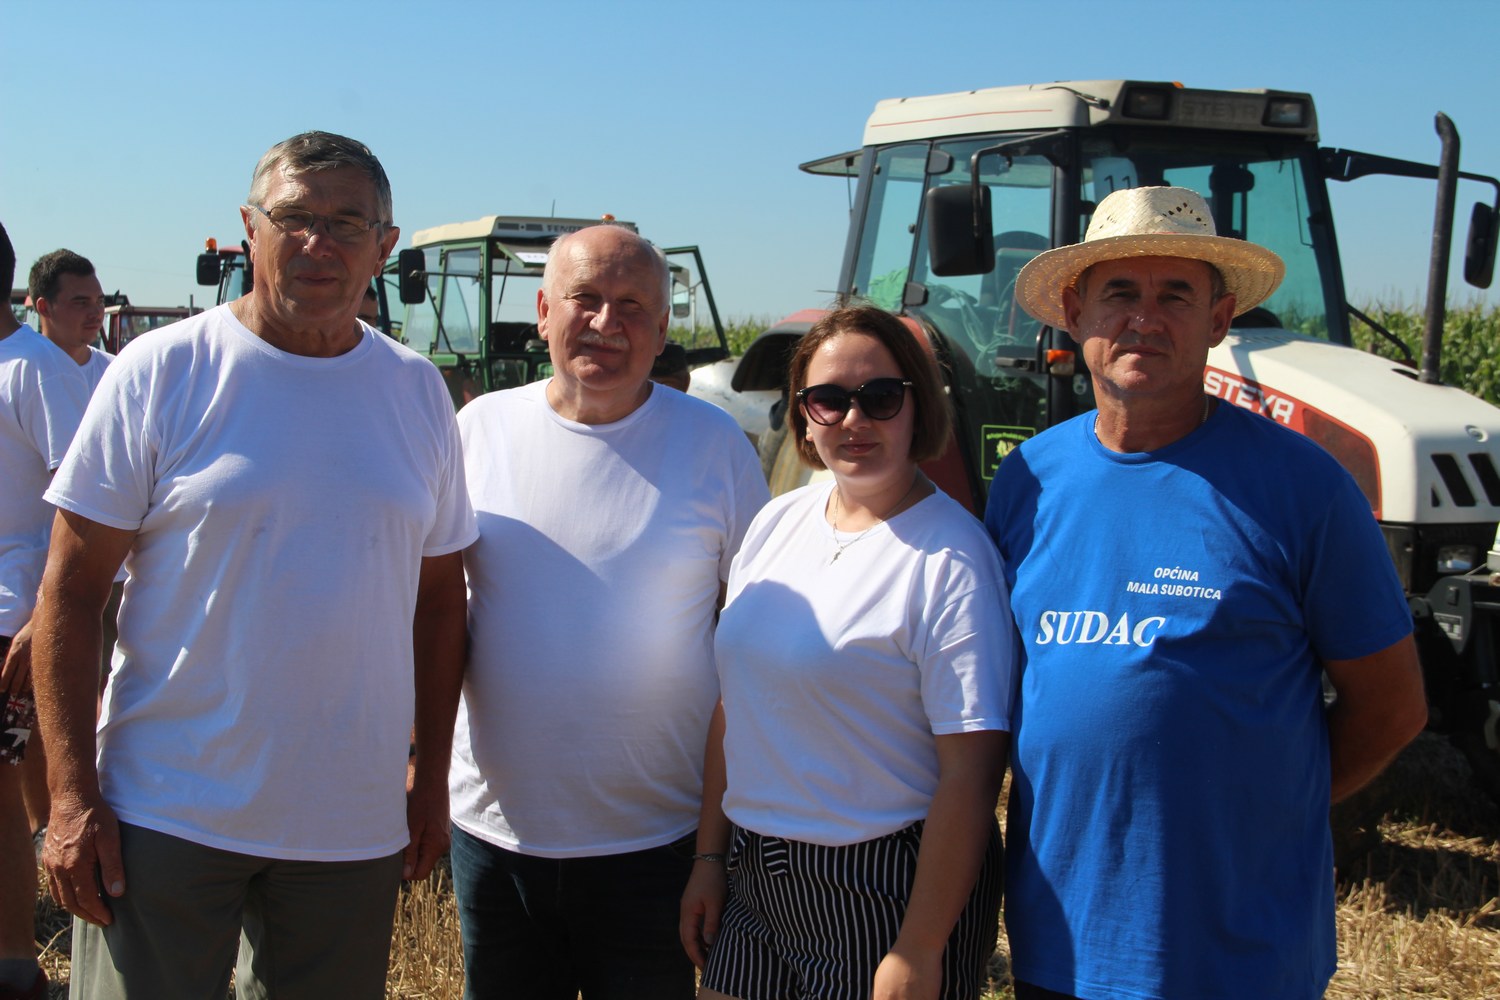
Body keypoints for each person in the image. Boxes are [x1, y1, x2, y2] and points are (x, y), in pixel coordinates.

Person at [28, 131, 477, 1000]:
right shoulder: (164, 372)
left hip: (347, 826)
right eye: (295, 218)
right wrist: (72, 800)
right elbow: (71, 592)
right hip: (165, 815)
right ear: (249, 229)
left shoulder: (418, 391)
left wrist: (428, 783)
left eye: (348, 222)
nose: (320, 243)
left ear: (386, 244)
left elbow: (439, 605)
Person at [984, 186, 1428, 1000]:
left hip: (1236, 953)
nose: (1144, 318)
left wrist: (1272, 804)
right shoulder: (1028, 480)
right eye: (1120, 292)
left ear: (1219, 320)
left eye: (1175, 295)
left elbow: (1394, 707)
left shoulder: (1303, 487)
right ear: (1076, 311)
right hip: (1061, 946)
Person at [449, 223, 769, 999]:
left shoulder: (715, 447)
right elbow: (436, 614)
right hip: (496, 837)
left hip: (654, 842)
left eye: (632, 306)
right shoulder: (477, 430)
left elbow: (755, 646)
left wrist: (712, 852)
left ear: (664, 331)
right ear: (543, 310)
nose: (605, 323)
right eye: (584, 299)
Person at [681, 305, 1016, 1000]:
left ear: (917, 407)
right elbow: (733, 707)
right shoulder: (777, 523)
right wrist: (710, 856)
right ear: (803, 416)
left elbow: (972, 775)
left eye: (880, 398)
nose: (854, 420)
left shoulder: (951, 559)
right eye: (829, 400)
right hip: (756, 867)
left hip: (881, 882)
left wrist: (920, 944)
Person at [0, 221, 90, 1000]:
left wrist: (41, 611)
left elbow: (78, 495)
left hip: (10, 611)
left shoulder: (34, 371)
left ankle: (13, 958)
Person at [29, 250, 110, 390]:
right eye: (81, 303)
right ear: (44, 308)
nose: (96, 313)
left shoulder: (115, 372)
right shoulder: (22, 376)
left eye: (100, 301)